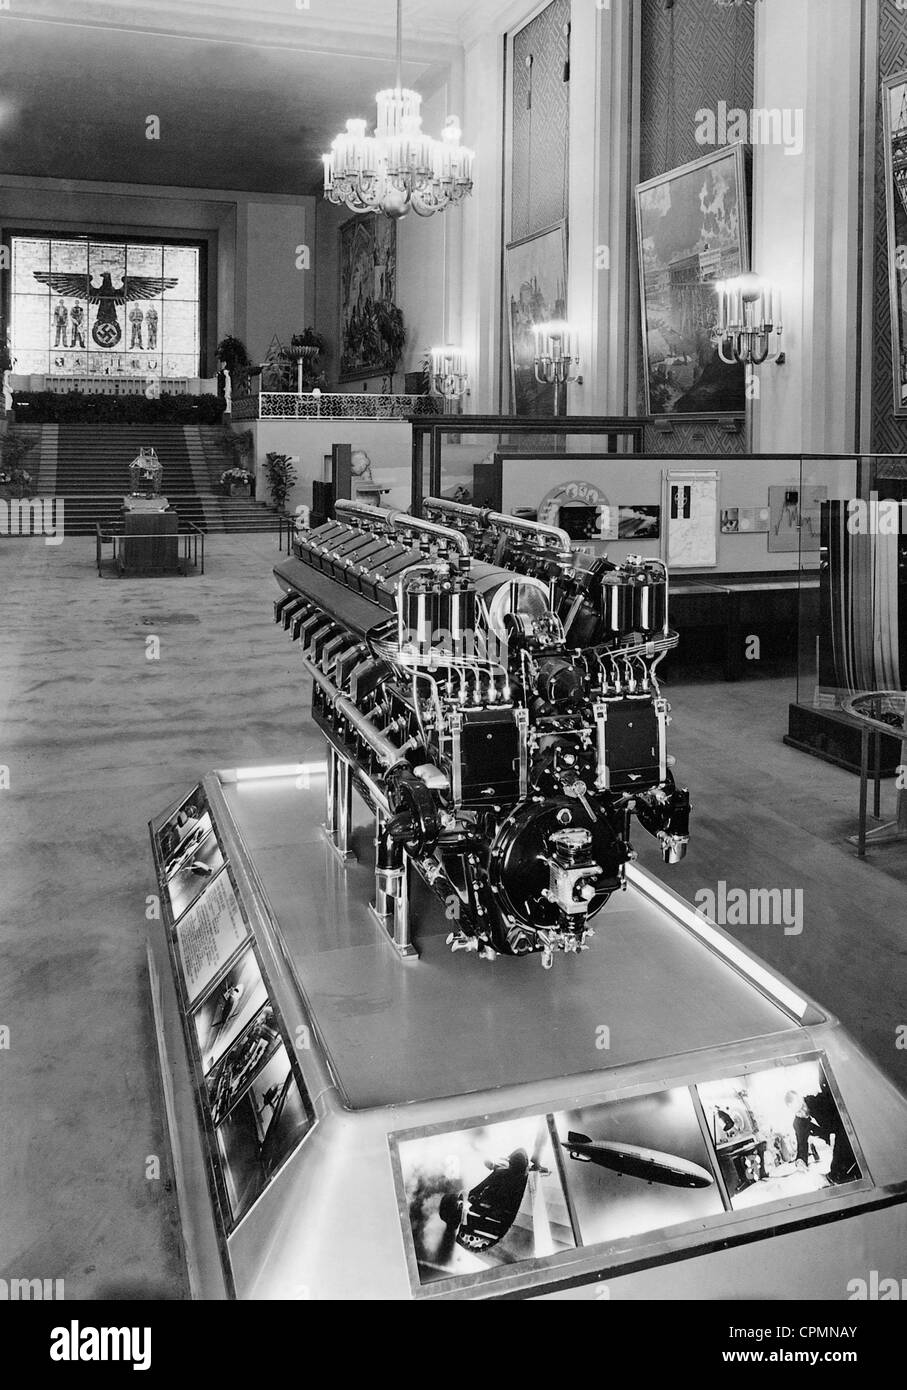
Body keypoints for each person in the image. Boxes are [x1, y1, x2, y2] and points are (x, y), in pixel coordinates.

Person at [786, 1085, 859, 1185]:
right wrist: (800, 1160)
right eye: (798, 1111)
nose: (803, 1112)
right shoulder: (798, 1123)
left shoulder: (820, 1100)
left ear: (802, 1098)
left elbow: (842, 1120)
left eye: (802, 1106)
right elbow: (801, 1143)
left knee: (839, 1171)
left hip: (847, 1130)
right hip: (837, 1141)